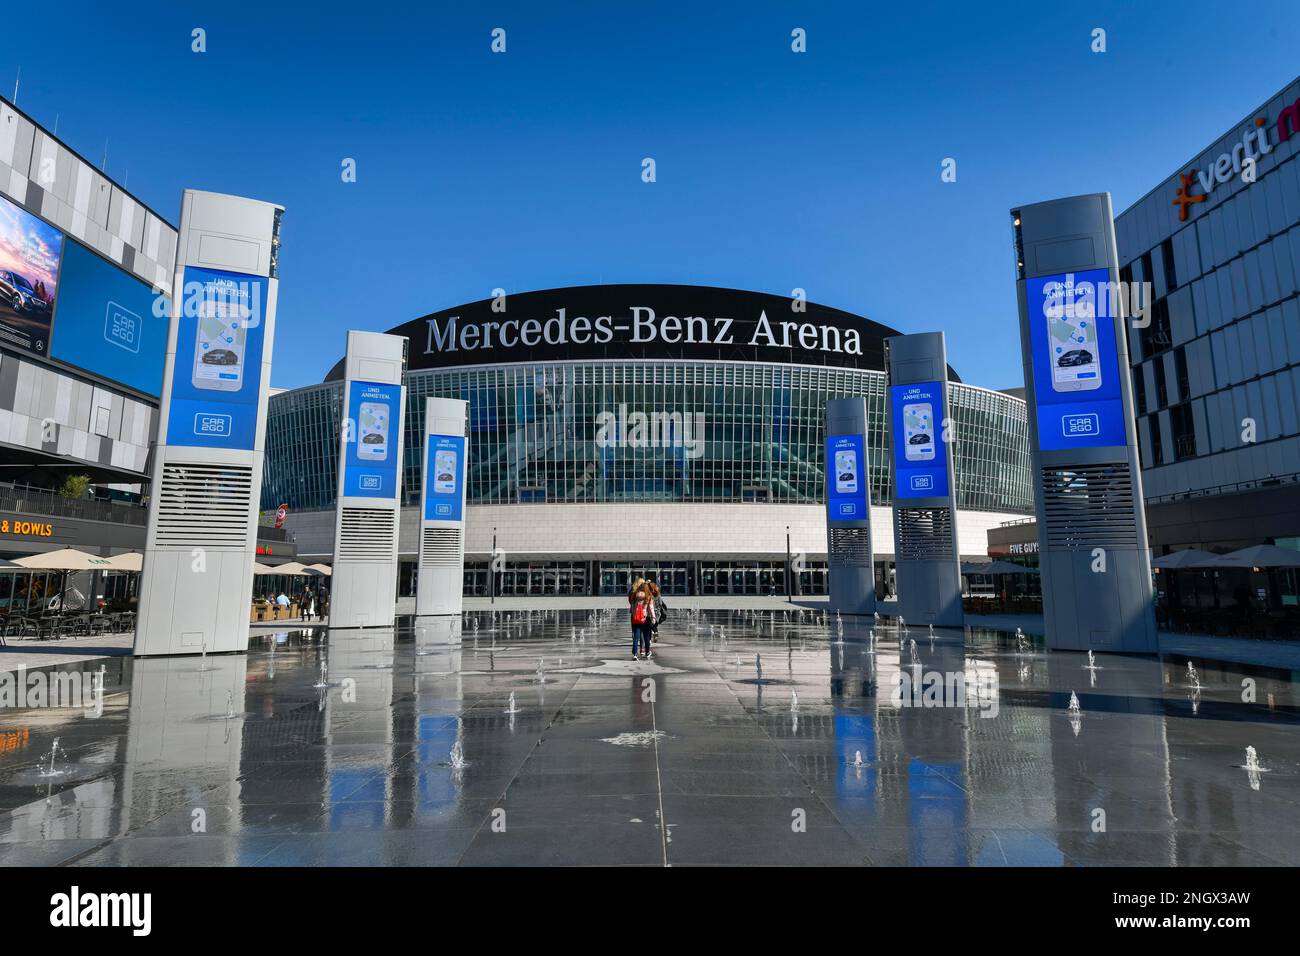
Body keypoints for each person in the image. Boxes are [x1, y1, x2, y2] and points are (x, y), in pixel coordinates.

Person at [630, 588, 653, 660]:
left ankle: (635, 654)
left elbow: (631, 610)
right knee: (646, 637)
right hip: (645, 619)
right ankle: (647, 652)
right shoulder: (647, 598)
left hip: (636, 620)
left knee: (636, 638)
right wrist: (653, 618)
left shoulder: (634, 599)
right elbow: (650, 609)